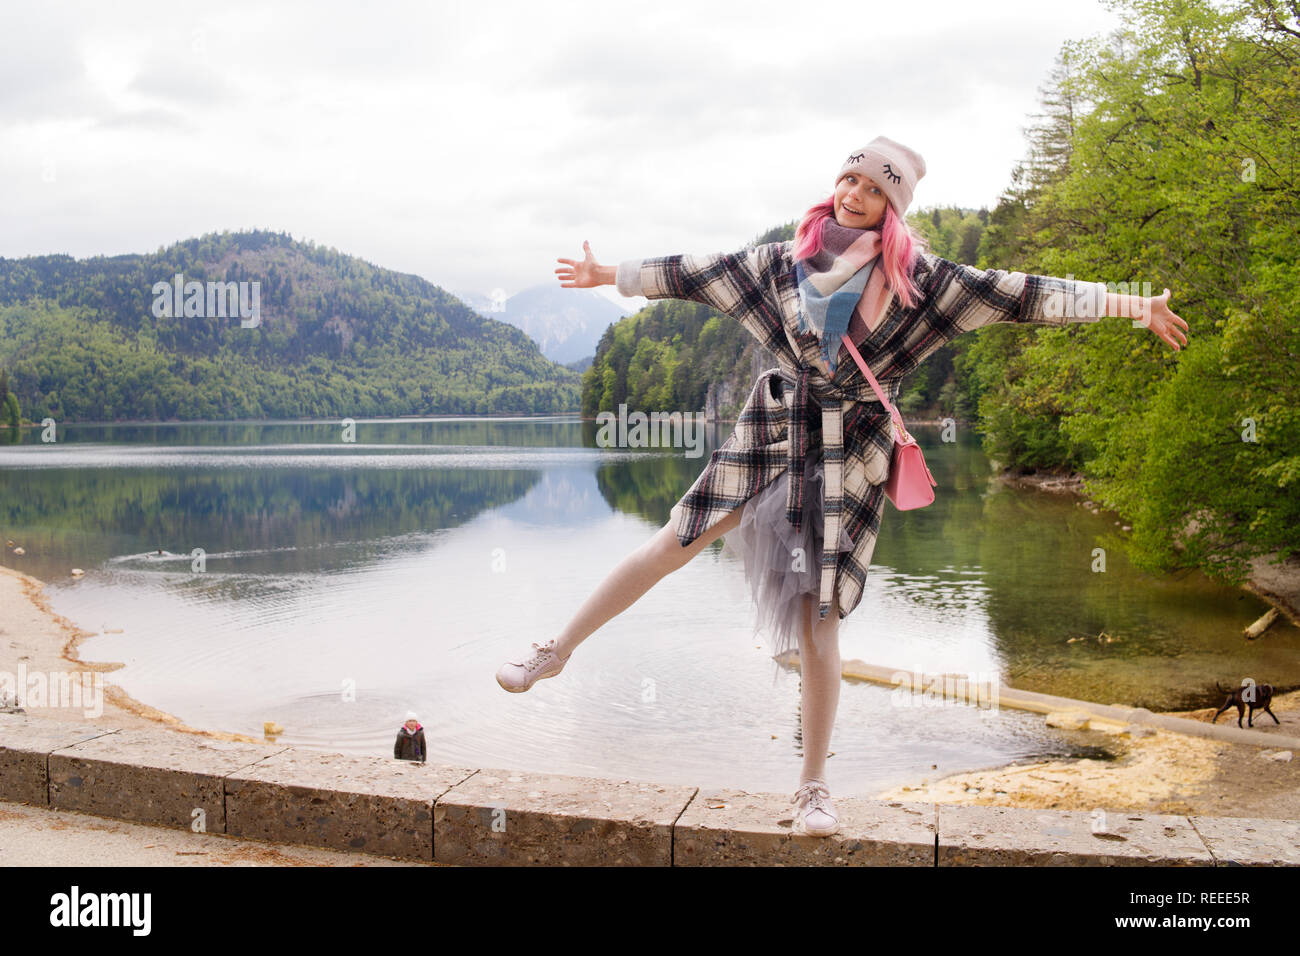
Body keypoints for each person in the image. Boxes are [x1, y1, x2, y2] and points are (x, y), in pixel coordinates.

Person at [495, 135, 1189, 837]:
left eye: (873, 189)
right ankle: (555, 651)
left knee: (820, 621)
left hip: (850, 451)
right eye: (848, 180)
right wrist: (612, 272)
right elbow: (698, 273)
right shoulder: (782, 264)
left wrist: (1131, 306)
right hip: (772, 425)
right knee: (673, 541)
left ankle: (814, 789)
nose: (853, 195)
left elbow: (1020, 295)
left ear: (893, 206)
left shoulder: (925, 283)